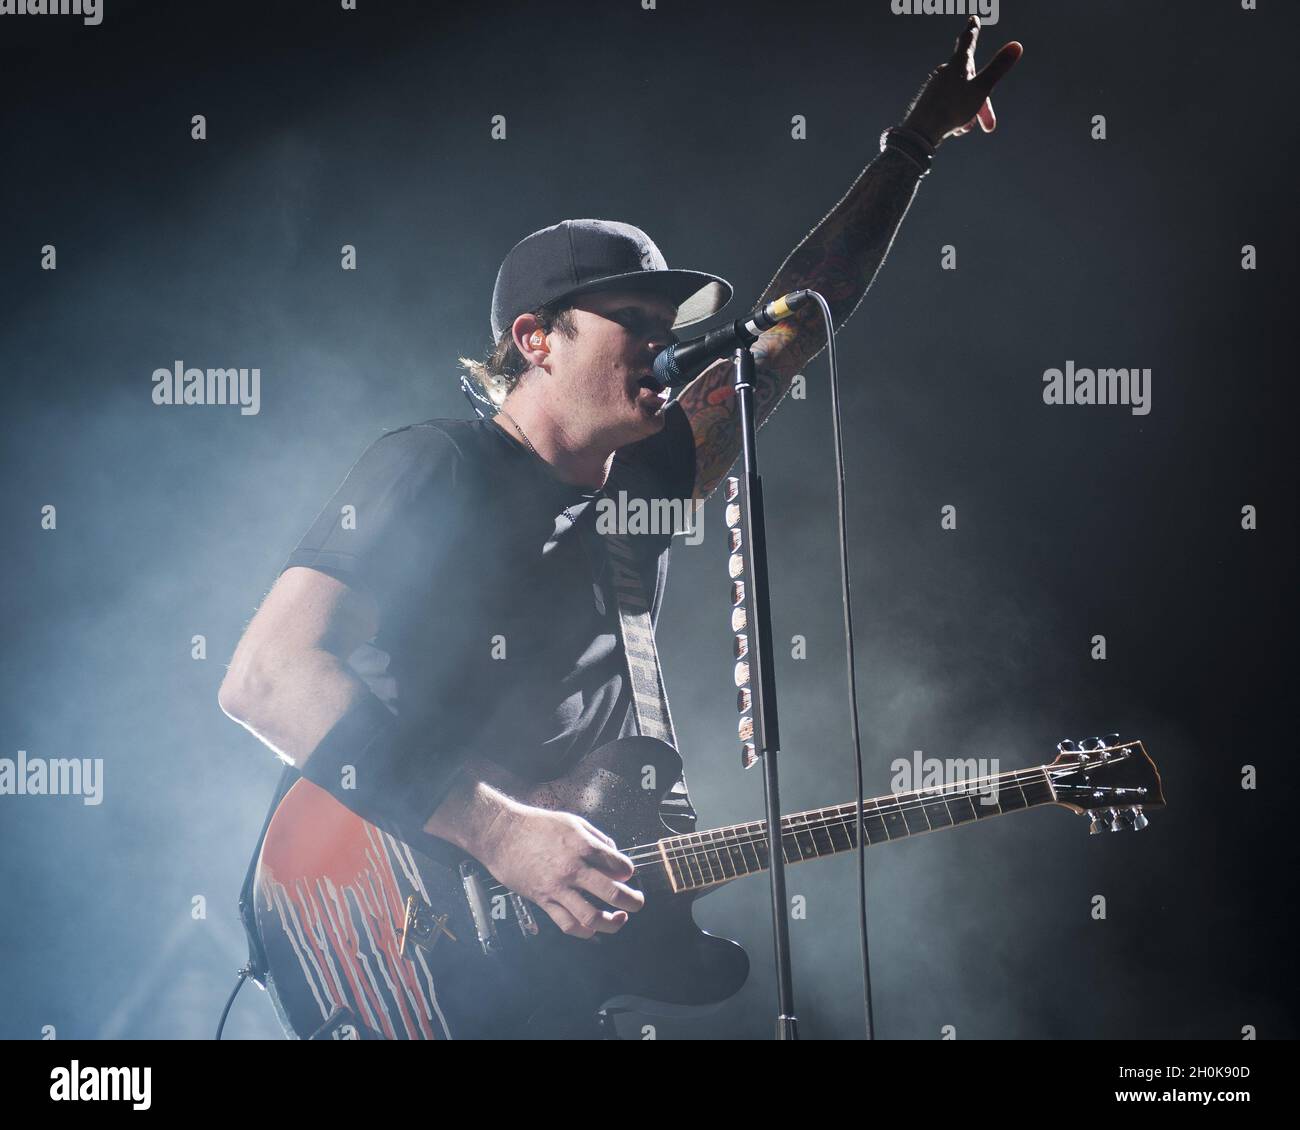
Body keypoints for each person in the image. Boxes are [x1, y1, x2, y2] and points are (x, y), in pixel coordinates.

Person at [218, 17, 1021, 1034]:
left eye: (667, 329)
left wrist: (907, 150)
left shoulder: (647, 477)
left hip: (540, 953)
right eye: (633, 326)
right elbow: (265, 677)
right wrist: (499, 835)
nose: (663, 348)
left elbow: (796, 317)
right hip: (387, 907)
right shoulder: (435, 464)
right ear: (535, 340)